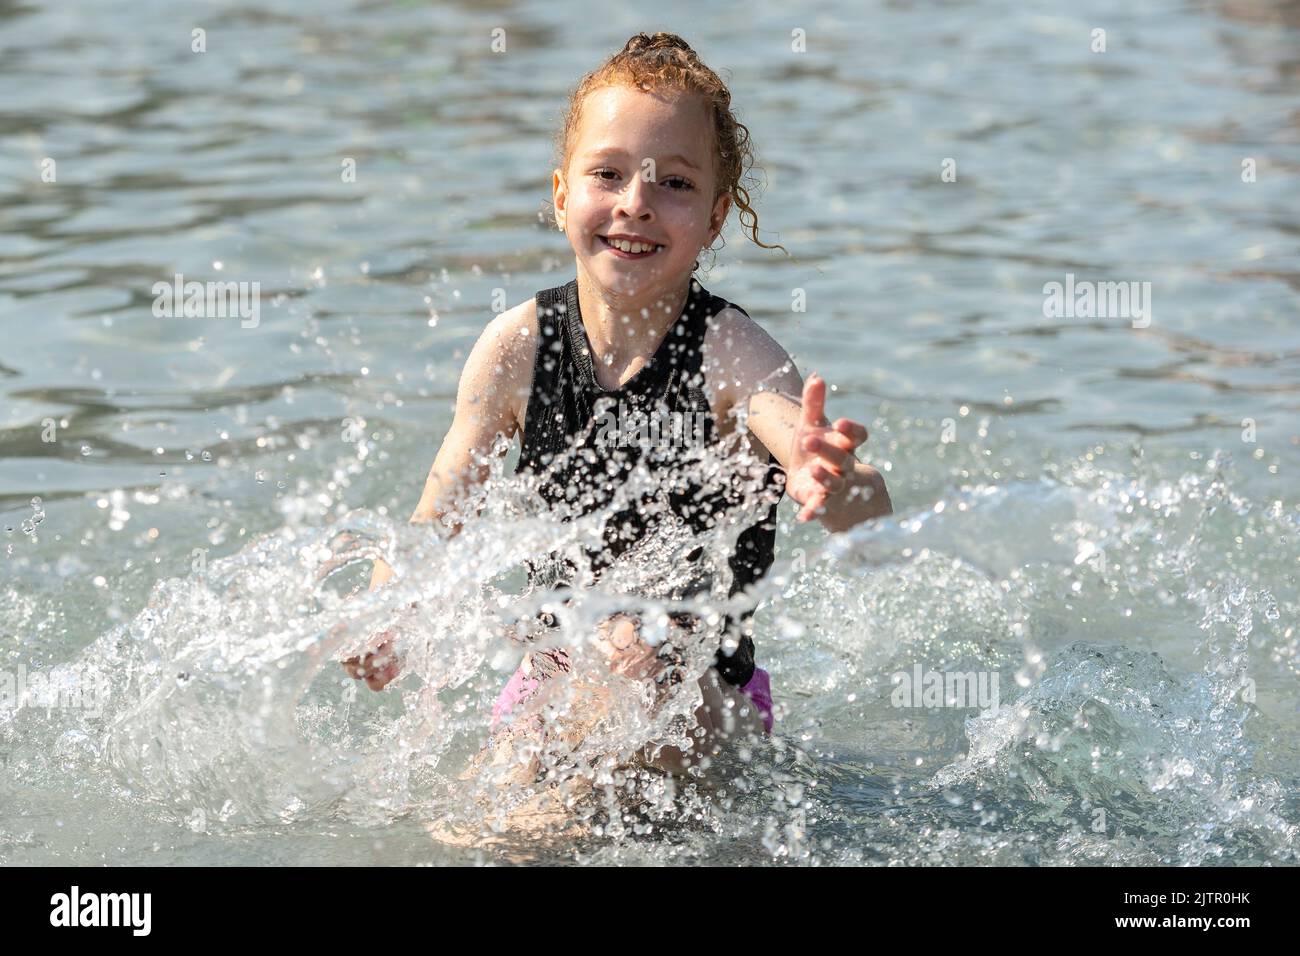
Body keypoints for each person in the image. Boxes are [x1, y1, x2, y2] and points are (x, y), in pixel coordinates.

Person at [343, 32, 892, 782]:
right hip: (547, 687)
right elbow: (436, 520)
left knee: (634, 651)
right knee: (489, 819)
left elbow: (861, 505)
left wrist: (827, 476)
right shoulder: (516, 351)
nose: (635, 203)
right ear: (562, 193)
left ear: (715, 216)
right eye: (608, 173)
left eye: (674, 183)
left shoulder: (733, 354)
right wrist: (387, 614)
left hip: (704, 700)